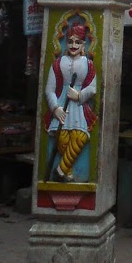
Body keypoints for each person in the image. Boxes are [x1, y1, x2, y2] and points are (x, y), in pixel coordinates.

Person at [44, 21, 97, 182]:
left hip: (78, 107)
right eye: (70, 41)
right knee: (62, 139)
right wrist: (55, 108)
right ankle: (66, 173)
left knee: (80, 137)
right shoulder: (58, 63)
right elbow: (49, 89)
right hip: (61, 105)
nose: (74, 45)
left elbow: (93, 88)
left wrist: (79, 95)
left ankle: (60, 170)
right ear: (66, 43)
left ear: (83, 45)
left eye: (78, 42)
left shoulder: (88, 64)